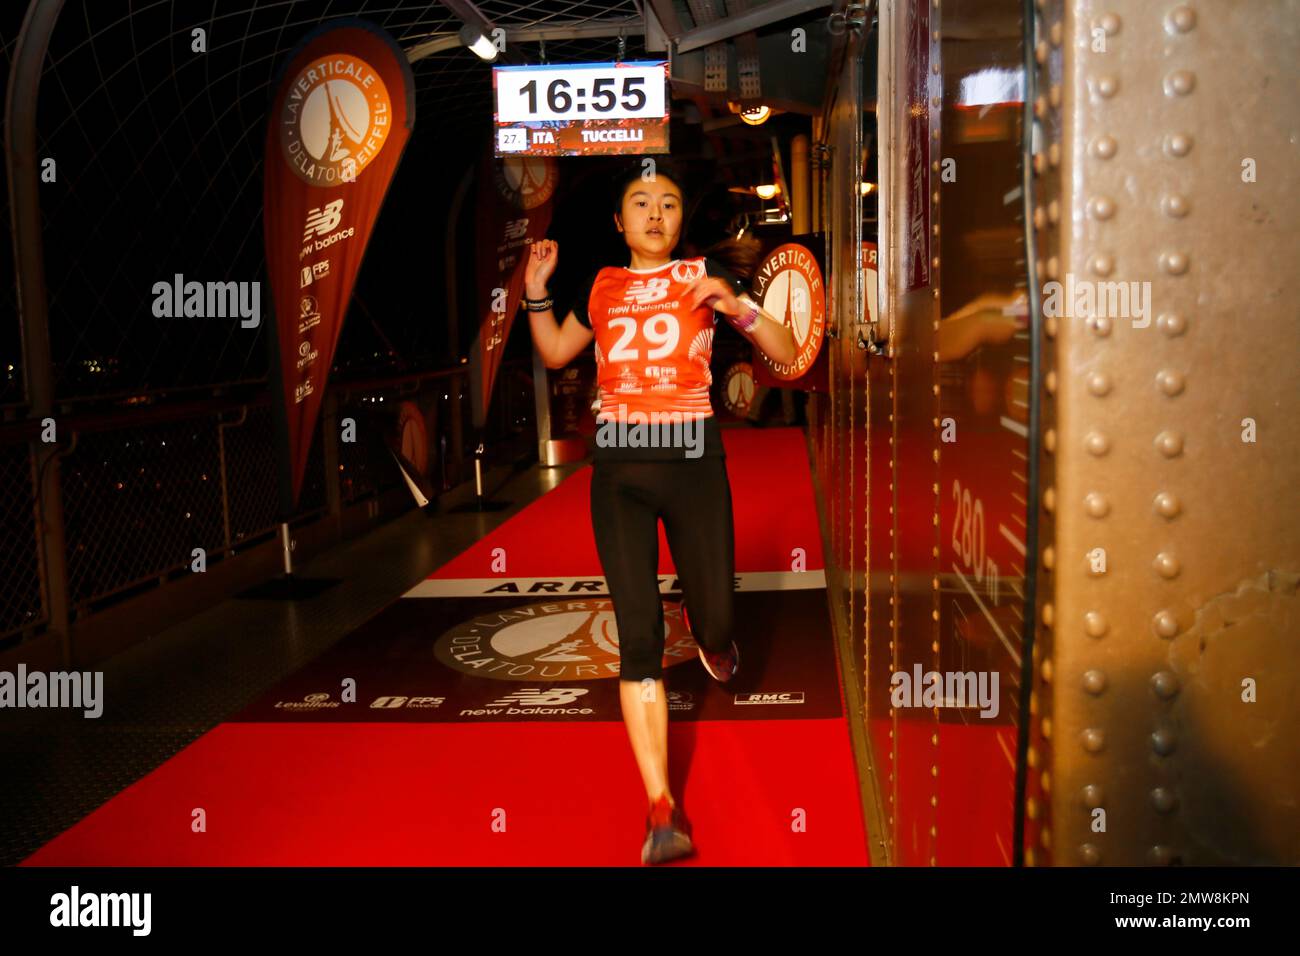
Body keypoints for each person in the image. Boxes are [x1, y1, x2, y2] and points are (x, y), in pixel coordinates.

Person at [523, 160, 796, 865]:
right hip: (618, 472)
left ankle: (714, 637)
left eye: (668, 203)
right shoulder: (604, 287)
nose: (654, 213)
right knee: (639, 636)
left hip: (694, 465)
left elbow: (788, 351)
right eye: (640, 202)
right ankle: (661, 807)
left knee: (717, 621)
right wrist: (533, 295)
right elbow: (556, 352)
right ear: (619, 222)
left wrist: (734, 305)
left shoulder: (703, 278)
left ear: (680, 220)